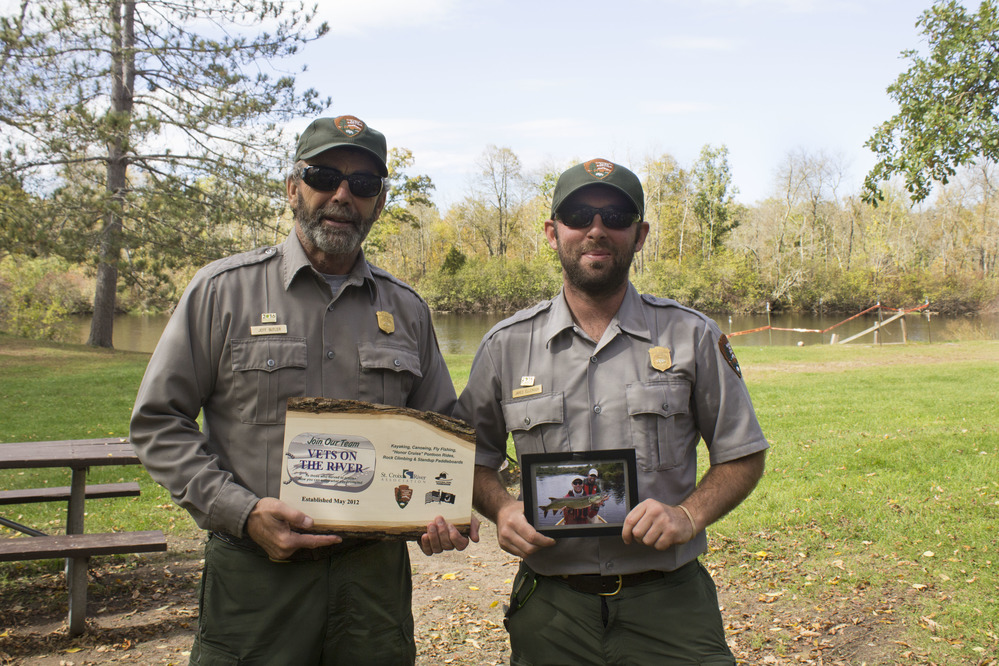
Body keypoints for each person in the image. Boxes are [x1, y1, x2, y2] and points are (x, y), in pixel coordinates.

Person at [130, 115, 477, 665]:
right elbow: (157, 421)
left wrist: (441, 512)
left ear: (378, 203)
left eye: (363, 184)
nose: (343, 195)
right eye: (324, 176)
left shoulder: (406, 309)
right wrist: (240, 512)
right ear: (294, 188)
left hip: (373, 586)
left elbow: (440, 437)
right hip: (255, 579)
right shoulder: (223, 291)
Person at [455, 158, 768, 664]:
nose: (596, 229)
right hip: (552, 610)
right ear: (553, 232)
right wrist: (502, 507)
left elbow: (743, 453)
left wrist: (689, 515)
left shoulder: (692, 336)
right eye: (579, 214)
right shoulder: (505, 346)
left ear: (639, 234)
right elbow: (469, 457)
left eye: (615, 216)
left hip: (670, 606)